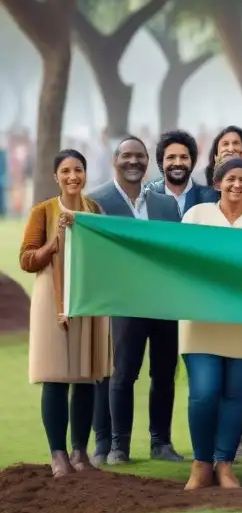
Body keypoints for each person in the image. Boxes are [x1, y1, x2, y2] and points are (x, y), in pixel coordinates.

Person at [179, 158, 242, 490]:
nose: (237, 184)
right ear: (217, 183)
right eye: (230, 179)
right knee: (204, 393)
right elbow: (181, 262)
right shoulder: (196, 216)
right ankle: (201, 464)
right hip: (200, 321)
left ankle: (225, 465)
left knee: (236, 395)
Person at [89, 136, 182, 465]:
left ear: (148, 162)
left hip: (163, 303)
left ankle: (162, 442)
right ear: (115, 160)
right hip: (122, 303)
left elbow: (177, 253)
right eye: (126, 155)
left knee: (164, 373)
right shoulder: (97, 202)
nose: (134, 161)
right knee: (122, 374)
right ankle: (118, 446)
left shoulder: (166, 204)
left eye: (140, 156)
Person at [19, 149, 111, 477]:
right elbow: (27, 259)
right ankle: (58, 453)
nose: (73, 177)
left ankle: (80, 452)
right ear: (56, 176)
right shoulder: (43, 212)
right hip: (52, 300)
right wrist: (52, 244)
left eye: (79, 170)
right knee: (56, 377)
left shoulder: (94, 211)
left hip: (87, 297)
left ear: (86, 175)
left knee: (85, 377)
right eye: (66, 171)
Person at [146, 129, 218, 216]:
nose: (178, 163)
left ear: (192, 162)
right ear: (161, 163)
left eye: (184, 157)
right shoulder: (147, 196)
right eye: (171, 157)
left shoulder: (209, 198)